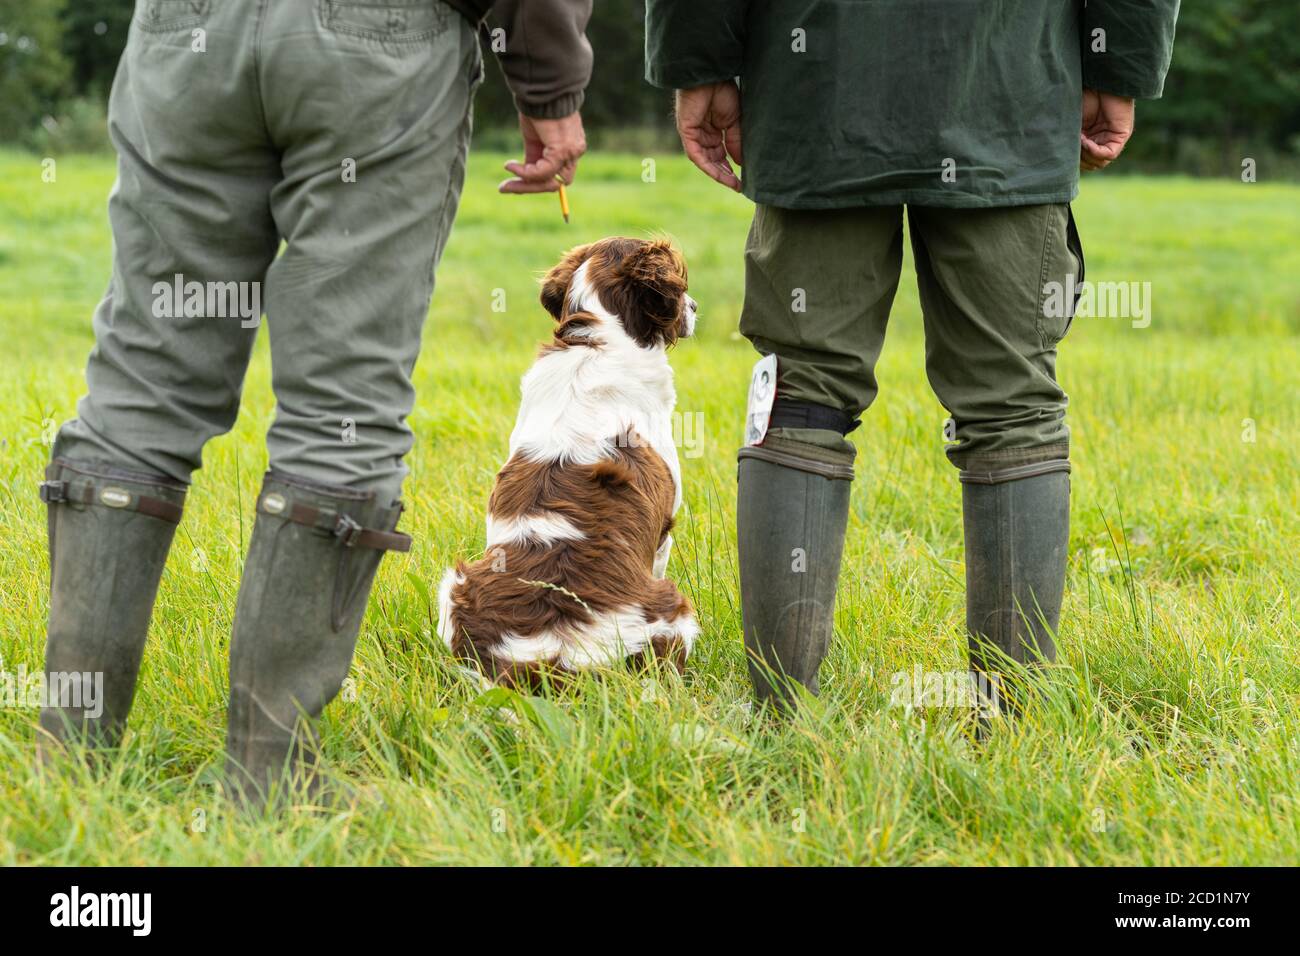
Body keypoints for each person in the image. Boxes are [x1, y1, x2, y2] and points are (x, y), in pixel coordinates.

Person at [37, 0, 591, 805]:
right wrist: (548, 81)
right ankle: (267, 787)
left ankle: (68, 765)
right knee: (343, 404)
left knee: (141, 384)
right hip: (377, 40)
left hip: (185, 31)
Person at [646, 1, 1179, 714]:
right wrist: (1121, 60)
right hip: (1007, 79)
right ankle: (1010, 730)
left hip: (821, 80)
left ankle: (782, 719)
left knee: (803, 388)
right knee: (1011, 402)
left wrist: (701, 55)